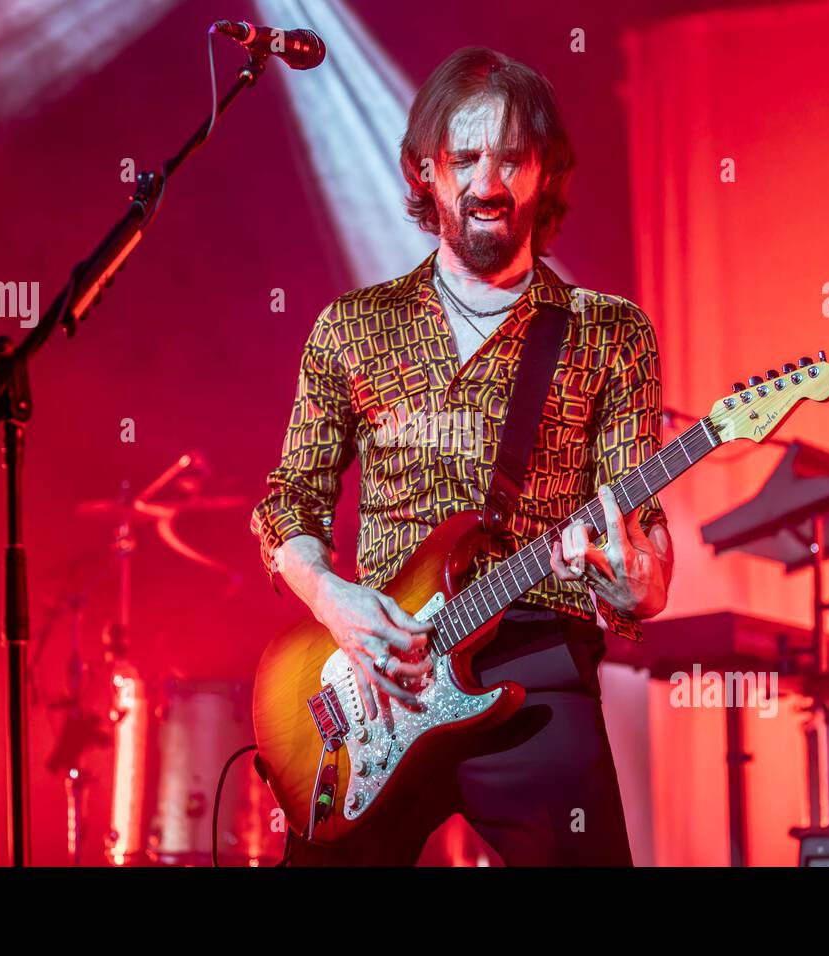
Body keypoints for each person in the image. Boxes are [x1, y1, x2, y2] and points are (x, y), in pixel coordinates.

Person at [250, 46, 673, 866]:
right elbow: (286, 505)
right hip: (376, 675)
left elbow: (640, 530)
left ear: (545, 171)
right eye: (465, 159)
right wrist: (337, 605)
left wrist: (640, 582)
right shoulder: (353, 328)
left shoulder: (610, 332)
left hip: (536, 667)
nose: (488, 184)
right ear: (423, 172)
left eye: (512, 158)